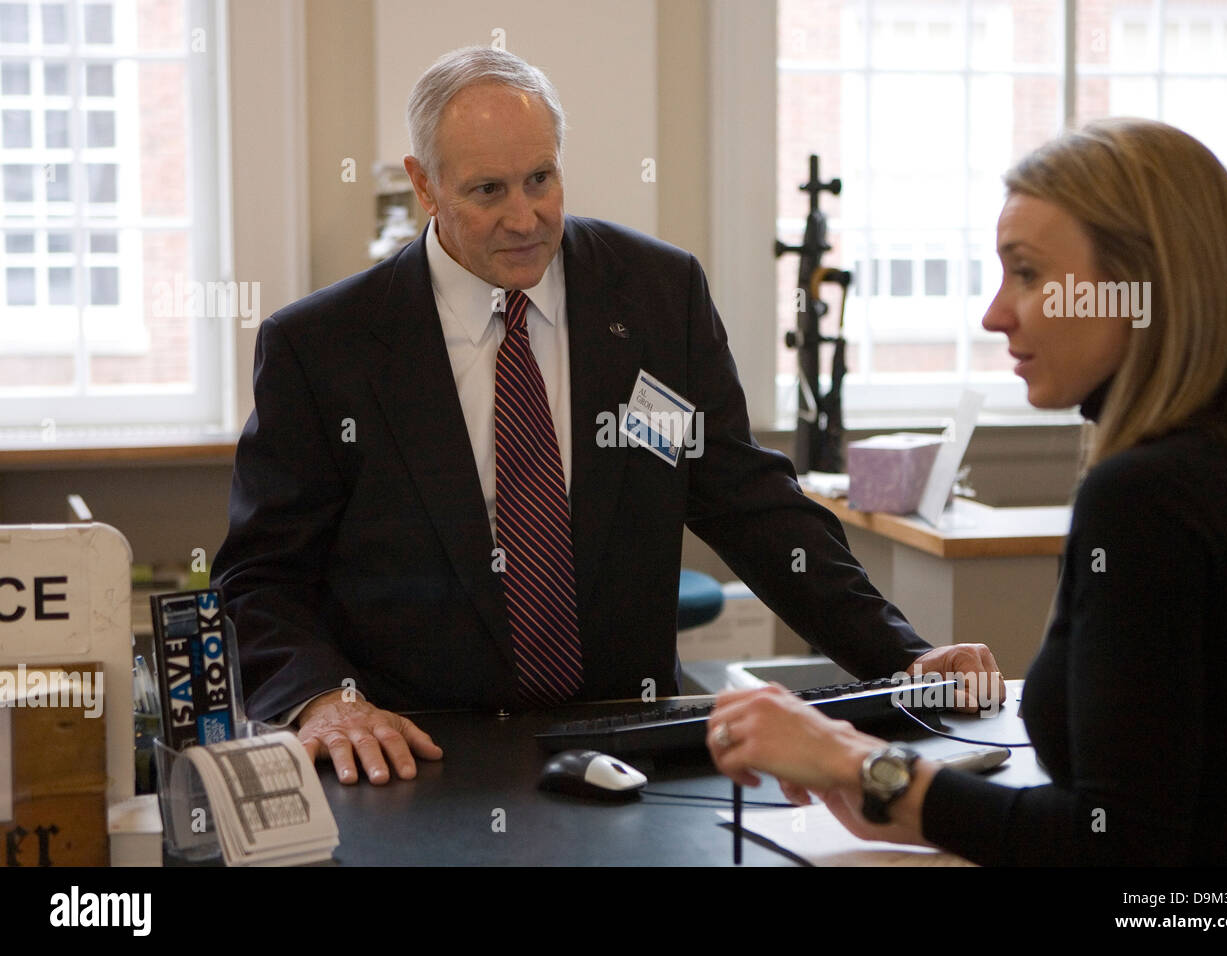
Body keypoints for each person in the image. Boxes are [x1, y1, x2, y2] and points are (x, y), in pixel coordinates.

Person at [211, 46, 1004, 787]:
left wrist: (905, 656)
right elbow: (261, 576)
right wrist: (322, 699)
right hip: (419, 755)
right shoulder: (324, 347)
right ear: (424, 185)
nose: (525, 218)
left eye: (542, 179)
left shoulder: (657, 297)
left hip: (627, 747)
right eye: (489, 190)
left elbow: (753, 507)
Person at [708, 118, 1227, 865]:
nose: (994, 314)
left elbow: (1120, 849)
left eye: (1028, 273)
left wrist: (854, 762)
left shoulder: (1148, 496)